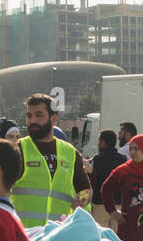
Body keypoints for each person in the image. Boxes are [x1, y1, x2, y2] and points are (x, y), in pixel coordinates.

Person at [10, 93, 89, 228]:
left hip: (57, 237)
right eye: (29, 116)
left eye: (39, 115)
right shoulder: (17, 150)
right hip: (23, 238)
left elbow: (84, 190)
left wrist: (83, 201)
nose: (32, 120)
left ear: (53, 119)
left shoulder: (70, 153)